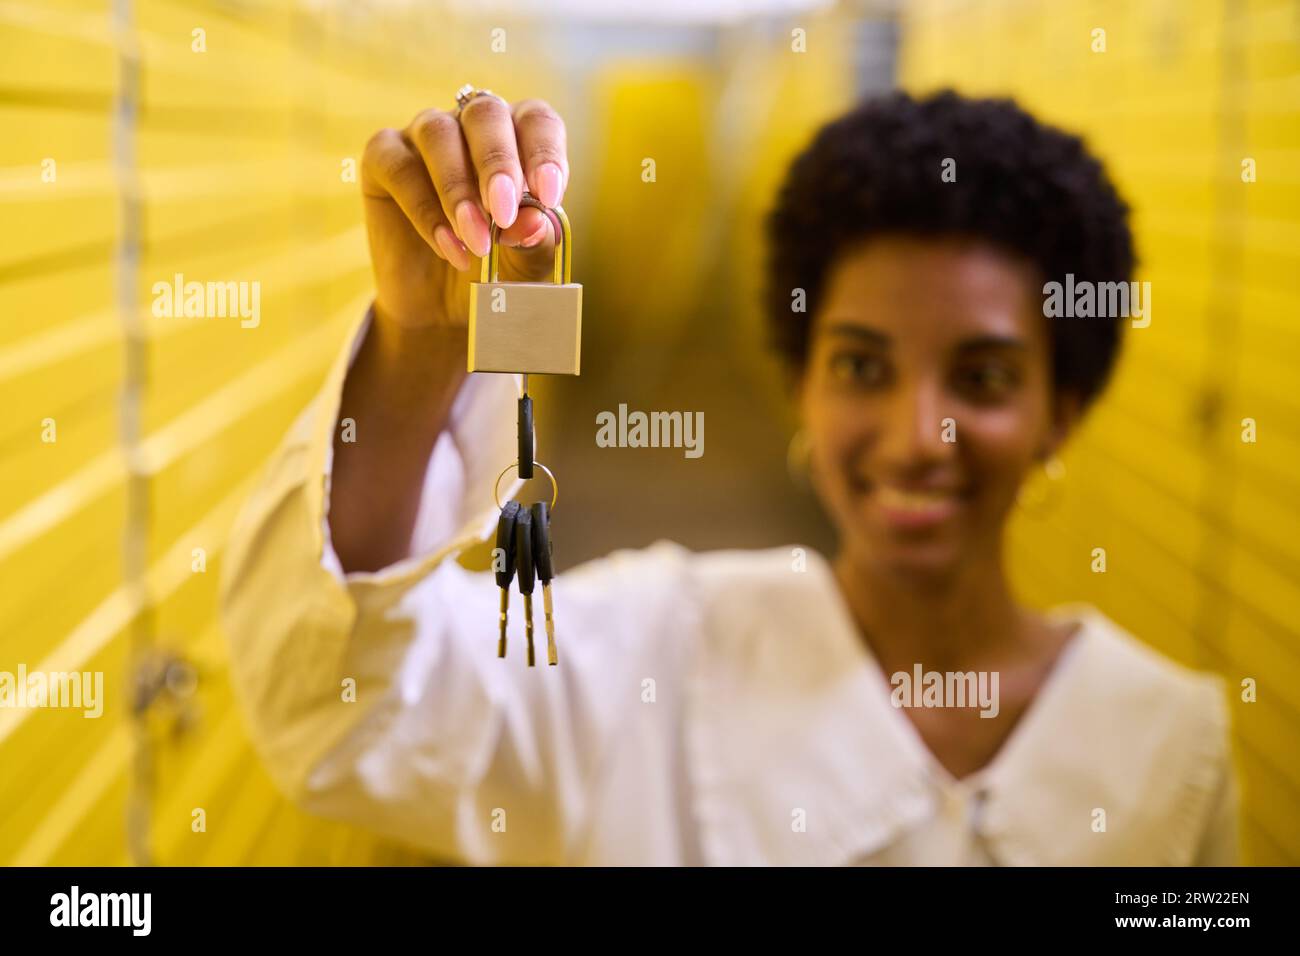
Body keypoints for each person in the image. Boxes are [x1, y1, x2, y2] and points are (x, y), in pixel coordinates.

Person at [220, 89, 1238, 865]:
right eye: (861, 365)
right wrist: (424, 341)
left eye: (981, 376)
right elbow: (345, 714)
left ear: (1062, 407)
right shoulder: (652, 652)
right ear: (800, 387)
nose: (918, 434)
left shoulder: (1167, 748)